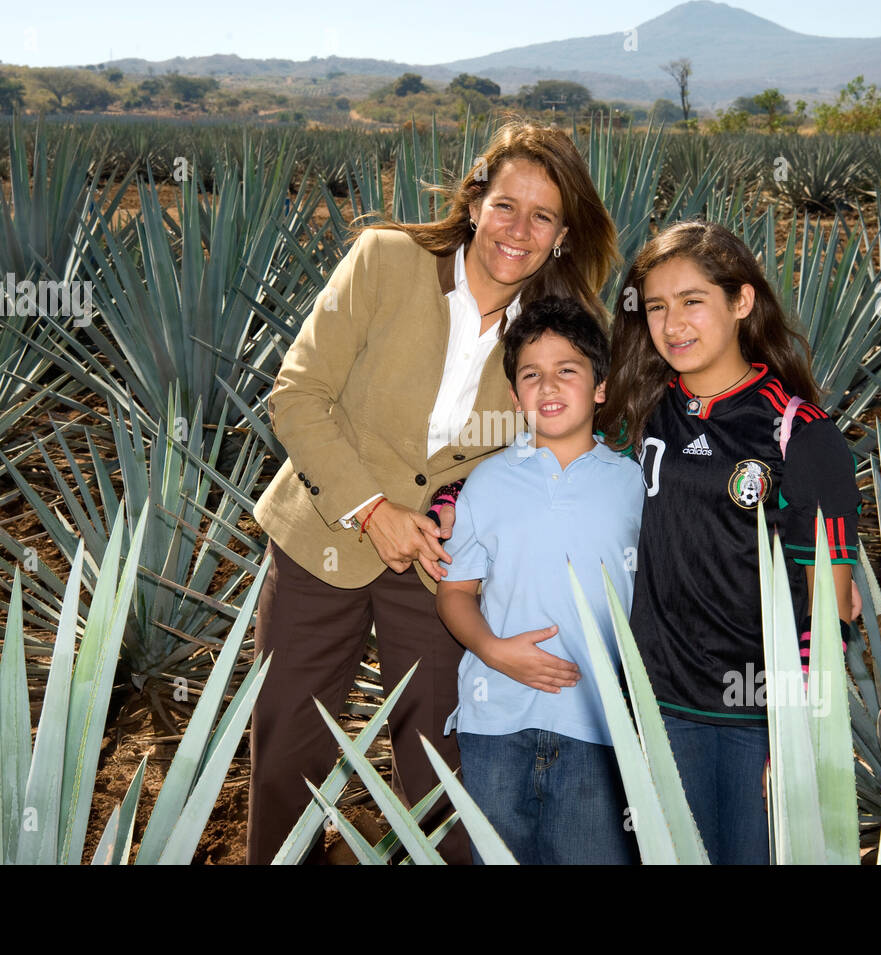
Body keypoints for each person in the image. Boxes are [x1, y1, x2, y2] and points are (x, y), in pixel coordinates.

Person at [246, 118, 619, 864]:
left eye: (542, 216)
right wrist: (373, 509)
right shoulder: (384, 260)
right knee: (287, 743)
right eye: (506, 205)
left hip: (441, 565)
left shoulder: (555, 333)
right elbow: (298, 394)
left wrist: (444, 514)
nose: (518, 229)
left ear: (563, 236)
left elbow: (541, 453)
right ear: (474, 200)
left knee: (442, 766)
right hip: (324, 535)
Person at [597, 219, 862, 865]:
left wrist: (793, 736)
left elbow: (831, 604)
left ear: (741, 302)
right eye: (656, 306)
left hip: (757, 719)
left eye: (693, 301)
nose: (672, 323)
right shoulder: (640, 412)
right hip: (657, 706)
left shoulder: (798, 432)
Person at [435, 296, 643, 865]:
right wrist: (495, 651)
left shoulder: (633, 485)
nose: (549, 386)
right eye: (532, 375)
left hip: (598, 725)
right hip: (495, 720)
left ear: (600, 388)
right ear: (514, 396)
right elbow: (455, 593)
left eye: (567, 371)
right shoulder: (487, 482)